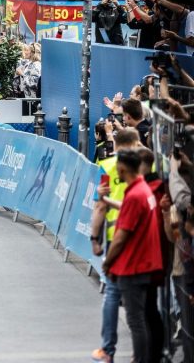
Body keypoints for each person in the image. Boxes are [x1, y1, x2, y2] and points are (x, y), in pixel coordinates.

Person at [101, 149, 164, 363]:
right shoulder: (143, 191)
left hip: (134, 266)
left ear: (122, 168)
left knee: (135, 320)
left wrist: (108, 262)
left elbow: (120, 237)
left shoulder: (136, 194)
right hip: (143, 263)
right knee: (141, 318)